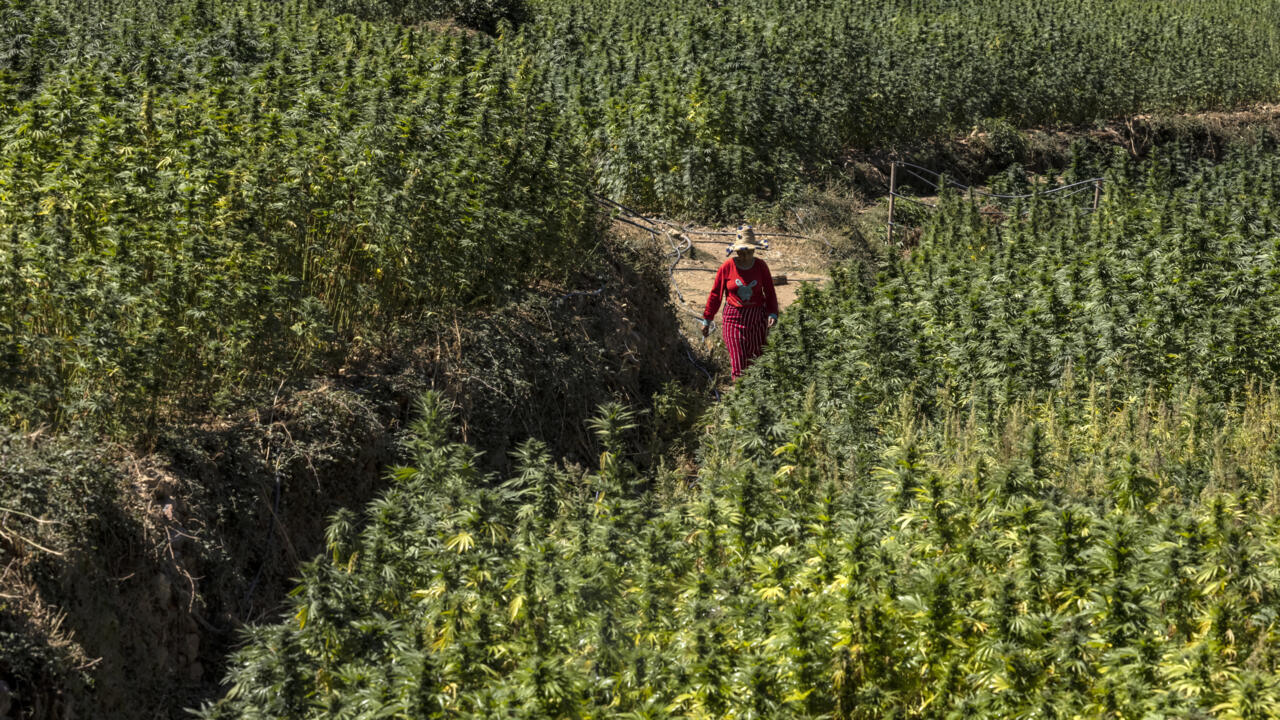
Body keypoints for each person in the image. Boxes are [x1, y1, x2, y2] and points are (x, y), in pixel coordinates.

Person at [701, 225, 778, 380]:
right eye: (740, 252)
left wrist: (772, 313)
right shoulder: (727, 267)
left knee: (757, 359)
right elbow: (716, 294)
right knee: (738, 360)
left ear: (753, 251)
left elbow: (769, 292)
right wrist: (707, 319)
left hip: (757, 318)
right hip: (733, 318)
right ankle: (739, 394)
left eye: (747, 252)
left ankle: (755, 397)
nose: (744, 256)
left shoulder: (761, 266)